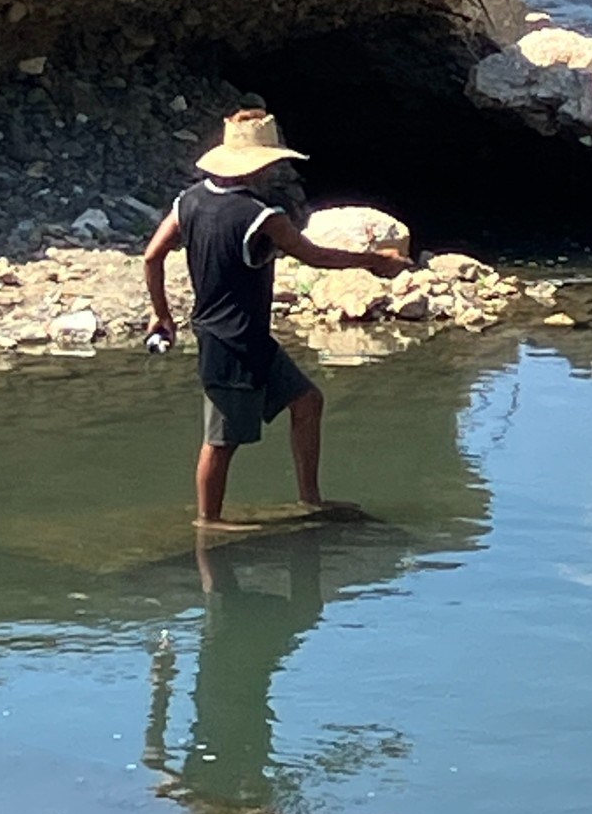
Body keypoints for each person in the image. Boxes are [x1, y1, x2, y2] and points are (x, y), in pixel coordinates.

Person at [144, 108, 412, 528]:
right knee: (220, 440)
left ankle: (311, 499)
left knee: (307, 401)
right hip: (230, 341)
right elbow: (315, 255)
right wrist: (375, 261)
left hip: (241, 337)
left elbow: (152, 255)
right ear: (261, 163)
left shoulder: (189, 201)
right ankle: (207, 523)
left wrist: (162, 316)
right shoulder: (263, 216)